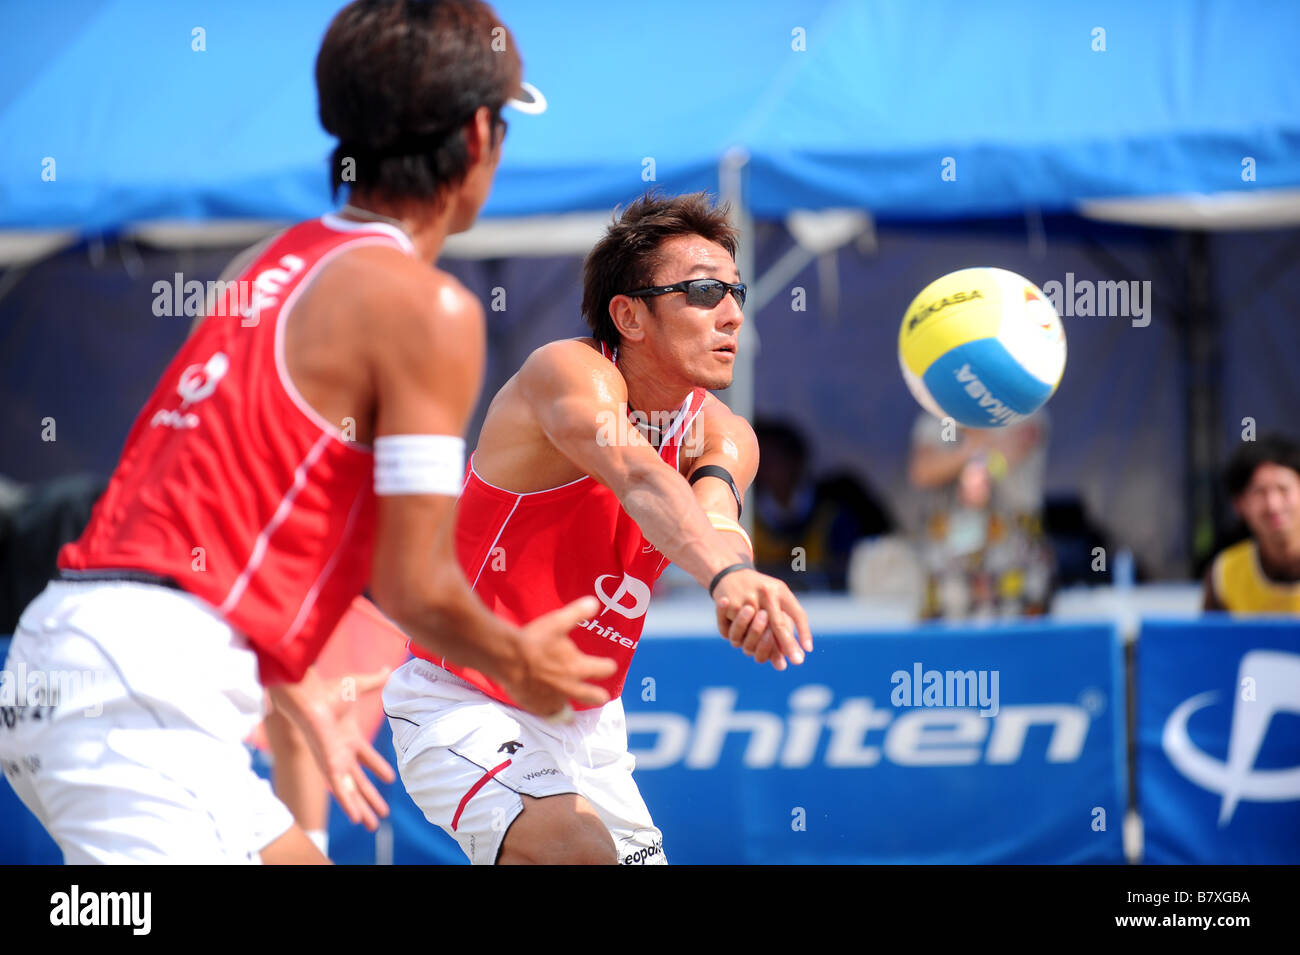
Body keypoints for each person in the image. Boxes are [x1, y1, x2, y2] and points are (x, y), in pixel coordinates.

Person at [0, 0, 614, 865]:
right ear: (478, 135)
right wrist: (517, 660)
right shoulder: (426, 308)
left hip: (89, 660)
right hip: (140, 694)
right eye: (505, 124)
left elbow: (189, 520)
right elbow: (412, 584)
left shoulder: (270, 263)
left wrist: (296, 685)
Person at [383, 191, 813, 865]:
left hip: (589, 727)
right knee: (576, 848)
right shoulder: (566, 374)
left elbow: (713, 518)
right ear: (629, 315)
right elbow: (639, 477)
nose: (732, 312)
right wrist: (726, 576)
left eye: (737, 289)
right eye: (703, 291)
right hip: (462, 697)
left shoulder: (725, 433)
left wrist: (740, 581)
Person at [907, 410, 1053, 618]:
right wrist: (971, 450)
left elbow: (1009, 454)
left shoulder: (1025, 403)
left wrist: (973, 455)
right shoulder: (938, 411)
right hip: (950, 563)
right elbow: (923, 471)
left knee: (1019, 641)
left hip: (1013, 558)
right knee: (946, 642)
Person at [750, 418, 893, 591]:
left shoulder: (834, 515)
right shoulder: (745, 517)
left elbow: (850, 572)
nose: (766, 467)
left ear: (797, 461)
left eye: (773, 458)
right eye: (760, 460)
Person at [1203, 433, 1300, 613]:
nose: (1273, 505)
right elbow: (1209, 640)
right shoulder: (1224, 575)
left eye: (1283, 489)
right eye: (1259, 492)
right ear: (1239, 505)